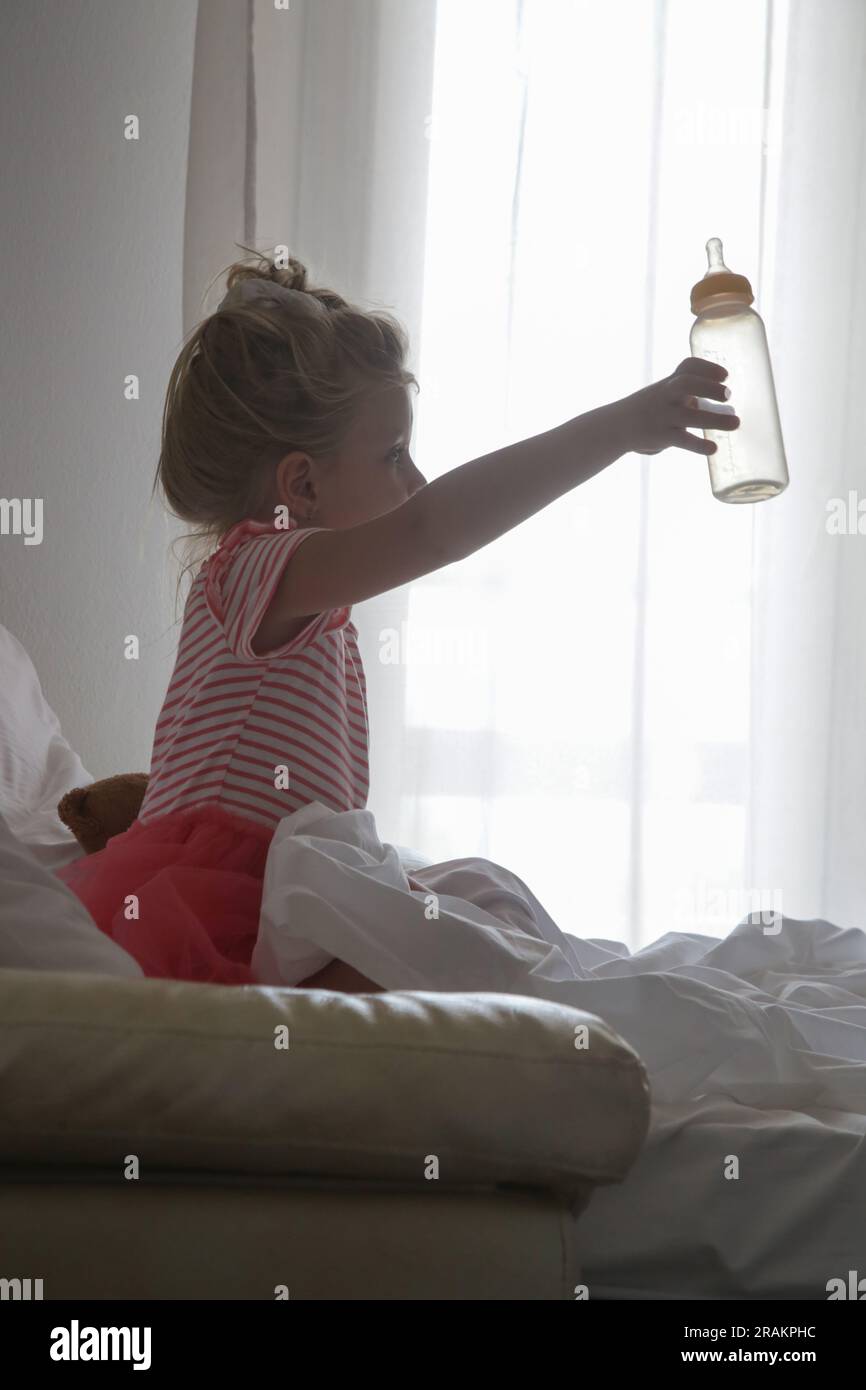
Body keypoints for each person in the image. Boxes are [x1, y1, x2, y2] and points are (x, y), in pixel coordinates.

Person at [55, 250, 737, 991]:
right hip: (226, 914)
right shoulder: (259, 567)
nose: (413, 481)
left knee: (480, 906)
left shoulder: (289, 597)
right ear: (302, 485)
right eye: (394, 453)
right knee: (472, 950)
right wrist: (620, 427)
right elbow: (431, 530)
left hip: (280, 898)